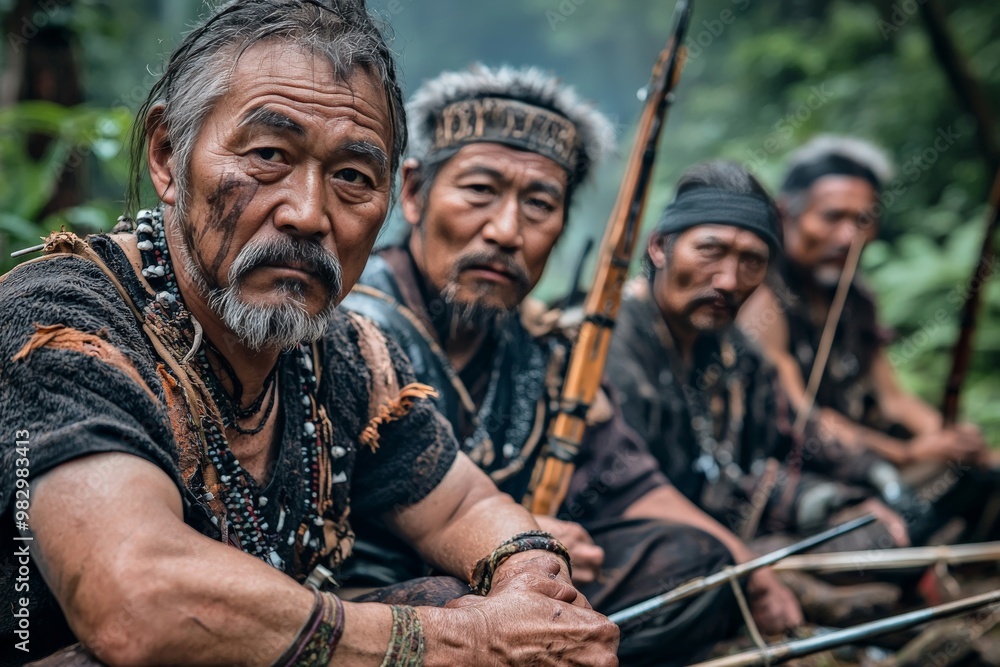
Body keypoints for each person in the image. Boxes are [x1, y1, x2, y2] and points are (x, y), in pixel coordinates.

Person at [0, 2, 620, 666]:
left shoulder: (338, 353)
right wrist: (461, 638)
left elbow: (461, 502)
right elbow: (136, 597)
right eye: (268, 155)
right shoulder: (62, 321)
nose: (308, 213)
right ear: (168, 155)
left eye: (352, 176)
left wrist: (526, 577)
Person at [341, 65, 803, 666]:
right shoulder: (348, 328)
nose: (506, 231)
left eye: (539, 204)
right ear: (414, 192)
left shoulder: (544, 352)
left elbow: (634, 485)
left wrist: (748, 567)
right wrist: (523, 544)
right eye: (479, 190)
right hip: (374, 606)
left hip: (519, 581)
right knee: (447, 603)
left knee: (696, 564)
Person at [606, 160, 911, 558]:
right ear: (660, 247)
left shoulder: (736, 352)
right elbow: (622, 492)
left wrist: (860, 487)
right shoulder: (609, 346)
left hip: (725, 525)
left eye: (752, 261)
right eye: (710, 251)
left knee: (877, 533)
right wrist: (737, 555)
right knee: (691, 560)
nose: (729, 280)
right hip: (646, 546)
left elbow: (788, 438)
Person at [738, 136, 999, 544]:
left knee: (984, 475)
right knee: (884, 529)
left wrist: (949, 440)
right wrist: (908, 454)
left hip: (870, 463)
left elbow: (893, 398)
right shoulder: (764, 298)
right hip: (808, 479)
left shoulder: (854, 297)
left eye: (862, 220)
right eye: (832, 216)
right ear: (786, 214)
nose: (847, 236)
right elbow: (805, 419)